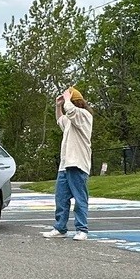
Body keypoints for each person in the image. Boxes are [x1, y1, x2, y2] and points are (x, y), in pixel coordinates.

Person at [41, 86, 94, 242]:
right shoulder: (71, 121)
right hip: (65, 164)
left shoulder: (84, 116)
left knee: (80, 198)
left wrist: (68, 99)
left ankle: (82, 229)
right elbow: (61, 120)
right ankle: (60, 227)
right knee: (61, 199)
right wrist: (58, 106)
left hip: (77, 163)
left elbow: (70, 111)